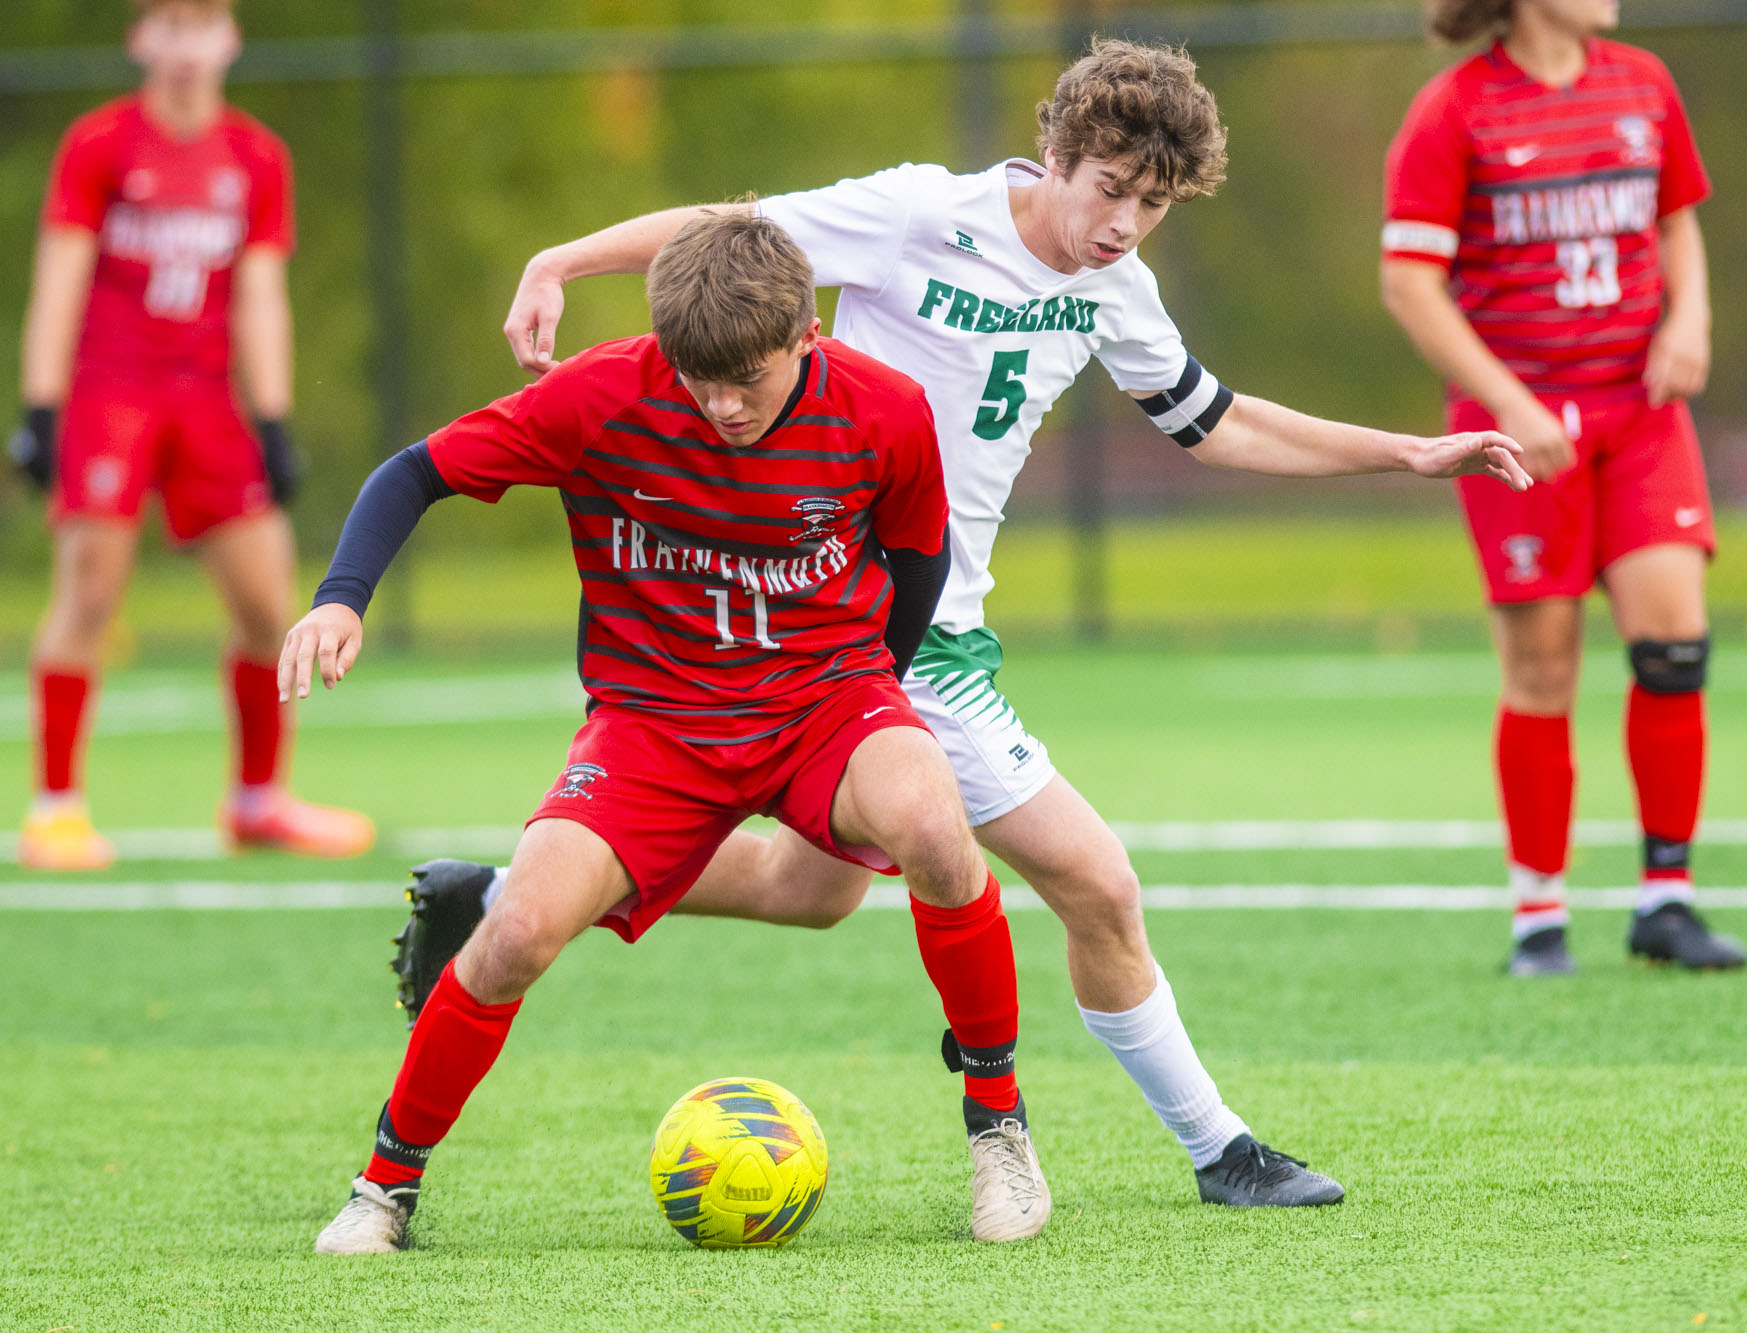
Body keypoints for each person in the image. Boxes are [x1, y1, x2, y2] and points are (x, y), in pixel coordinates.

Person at [398, 37, 1530, 1209]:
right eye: (1109, 189)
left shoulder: (1114, 291)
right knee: (1097, 882)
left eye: (1152, 203)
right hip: (874, 620)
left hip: (934, 617)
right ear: (1055, 151)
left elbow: (1217, 422)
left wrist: (1402, 452)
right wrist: (562, 259)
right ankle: (1216, 1150)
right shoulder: (918, 214)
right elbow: (727, 232)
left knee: (815, 891)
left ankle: (506, 898)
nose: (1124, 222)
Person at [301, 213, 1051, 1254]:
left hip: (825, 700)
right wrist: (341, 598)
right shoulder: (602, 394)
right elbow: (413, 473)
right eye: (699, 379)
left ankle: (998, 1127)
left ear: (806, 334)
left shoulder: (884, 411)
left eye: (745, 376)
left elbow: (917, 558)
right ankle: (383, 1189)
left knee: (925, 824)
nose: (721, 403)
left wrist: (873, 696)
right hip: (654, 721)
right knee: (517, 934)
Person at [1380, 0, 1746, 974]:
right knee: (1542, 669)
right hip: (1518, 437)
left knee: (1671, 645)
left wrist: (1689, 319)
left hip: (1639, 414)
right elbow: (1408, 282)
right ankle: (1537, 918)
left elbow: (1677, 222)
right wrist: (1510, 402)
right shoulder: (1452, 111)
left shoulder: (1642, 83)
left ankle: (1665, 901)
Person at [9, 0, 372, 869]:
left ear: (231, 40)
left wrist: (274, 418)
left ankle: (257, 799)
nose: (186, 46)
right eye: (167, 25)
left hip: (208, 397)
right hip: (112, 391)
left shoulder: (255, 157)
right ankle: (56, 806)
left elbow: (258, 294)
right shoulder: (98, 145)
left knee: (264, 599)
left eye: (203, 25)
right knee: (90, 594)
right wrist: (40, 406)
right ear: (139, 39)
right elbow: (58, 279)